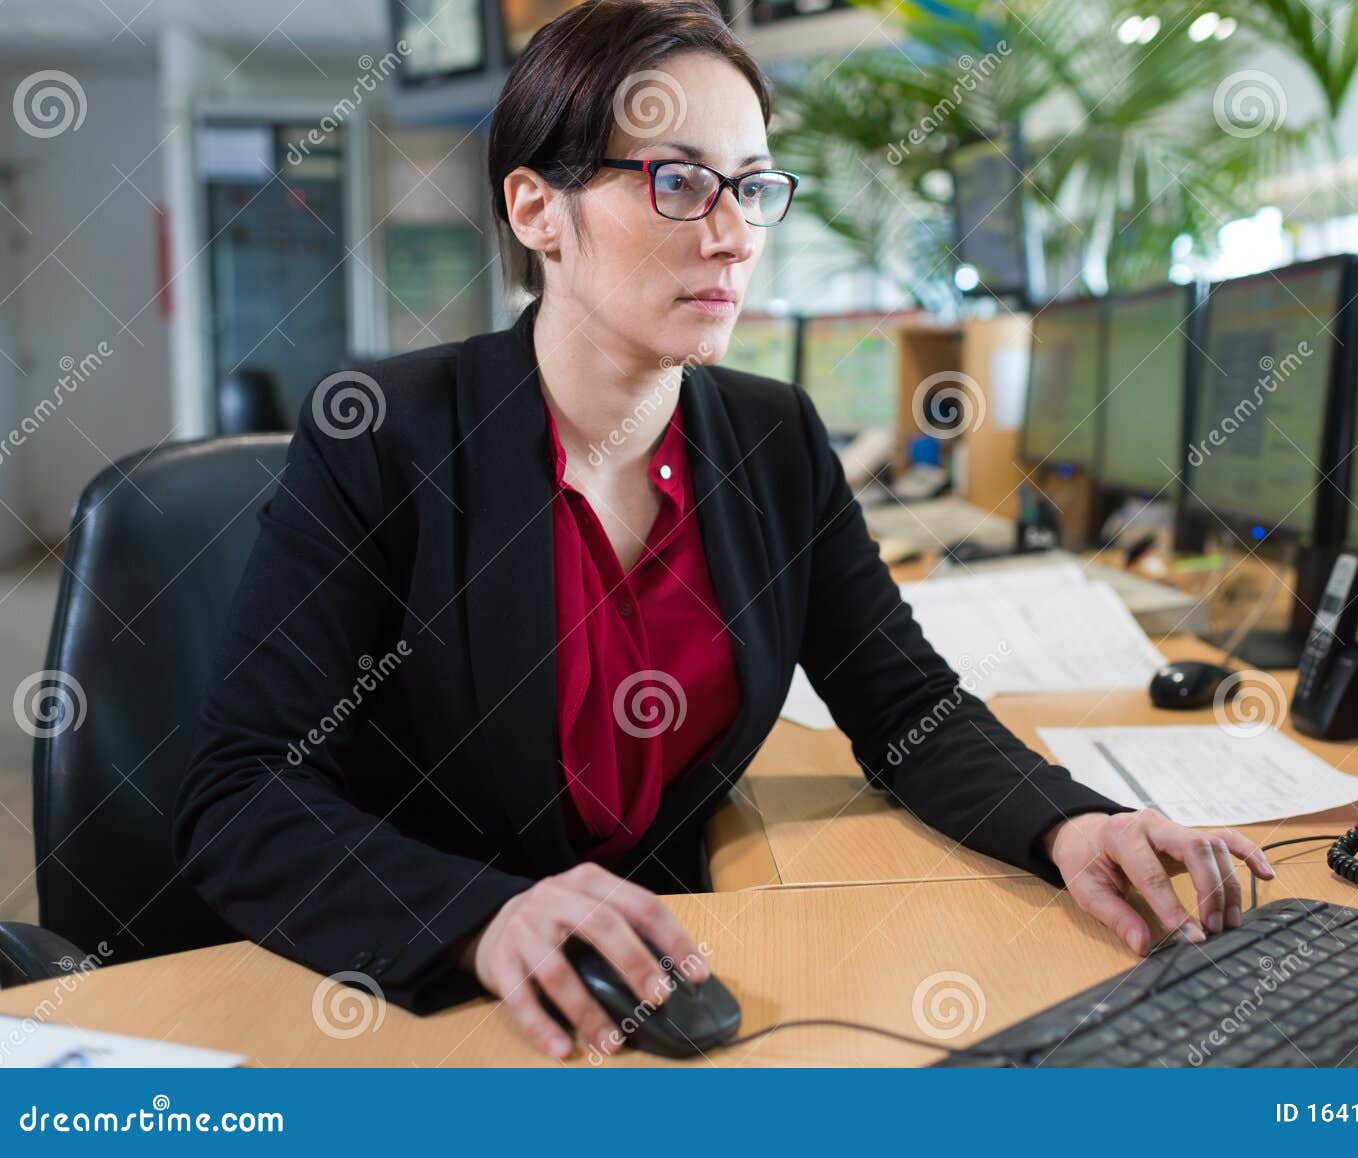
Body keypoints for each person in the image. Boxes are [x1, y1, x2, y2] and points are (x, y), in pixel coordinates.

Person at [174, 0, 1274, 1061]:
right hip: (452, 997)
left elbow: (906, 708)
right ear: (534, 209)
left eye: (750, 187)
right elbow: (240, 792)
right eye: (679, 181)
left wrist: (1069, 828)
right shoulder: (386, 436)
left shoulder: (770, 438)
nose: (734, 235)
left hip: (669, 970)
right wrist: (481, 917)